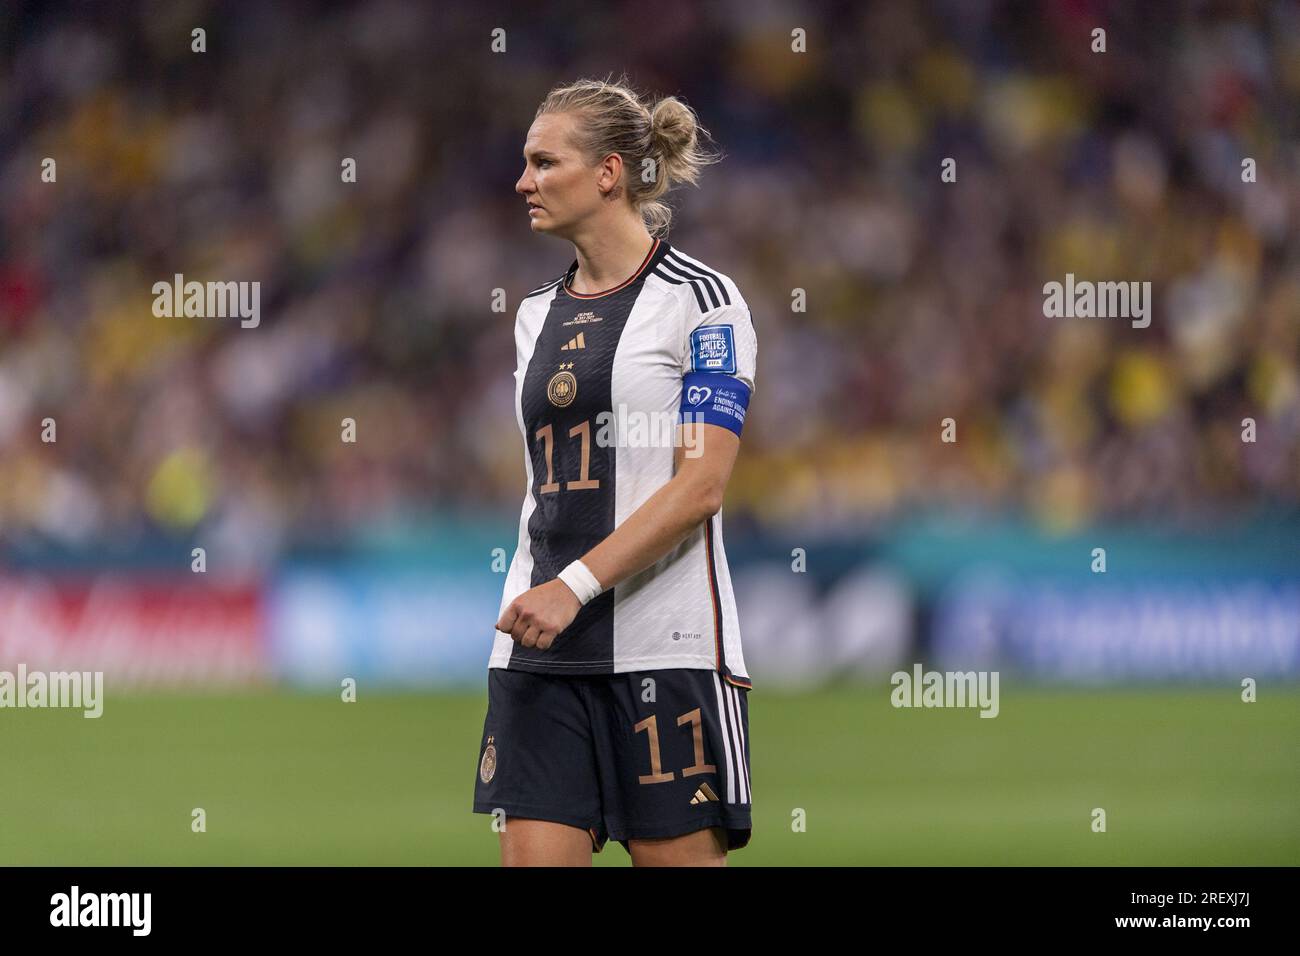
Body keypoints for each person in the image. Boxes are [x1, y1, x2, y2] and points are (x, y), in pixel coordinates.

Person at [472, 75, 757, 866]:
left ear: (608, 174)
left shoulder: (704, 303)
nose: (523, 181)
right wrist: (547, 590)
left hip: (665, 647)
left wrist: (577, 586)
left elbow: (701, 487)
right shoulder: (535, 313)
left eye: (543, 162)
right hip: (539, 650)